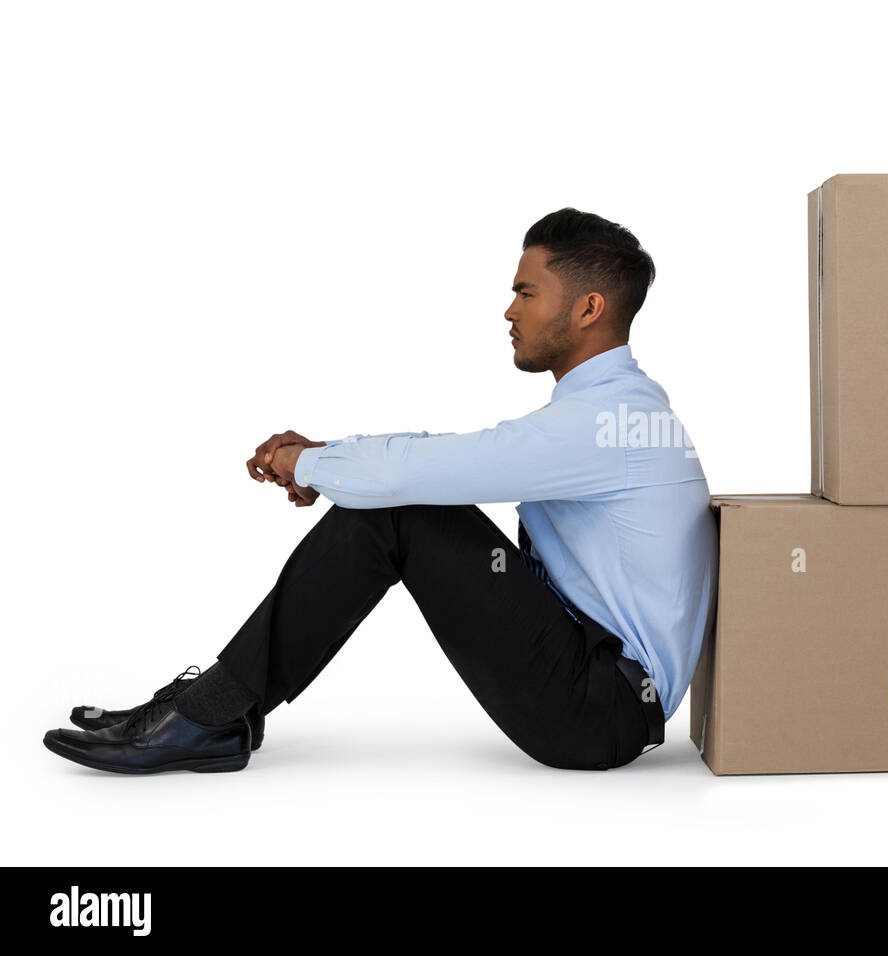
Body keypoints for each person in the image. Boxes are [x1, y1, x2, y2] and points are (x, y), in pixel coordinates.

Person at [44, 207, 719, 774]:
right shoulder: (620, 411)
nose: (508, 310)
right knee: (405, 502)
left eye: (526, 292)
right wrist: (327, 459)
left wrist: (310, 465)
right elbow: (447, 458)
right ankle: (209, 711)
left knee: (400, 514)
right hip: (604, 691)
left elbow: (428, 474)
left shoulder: (607, 425)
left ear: (589, 308)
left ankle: (208, 716)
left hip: (600, 712)